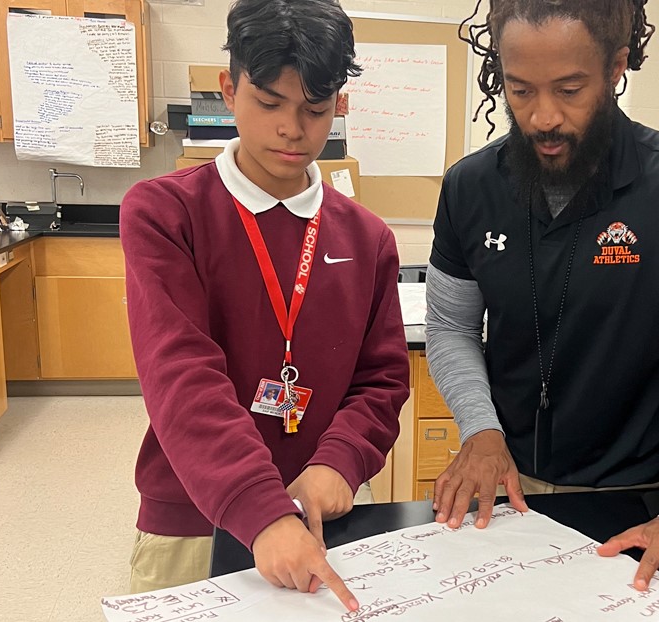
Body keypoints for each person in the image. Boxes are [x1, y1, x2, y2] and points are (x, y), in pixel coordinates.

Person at [426, 0, 659, 604]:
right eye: (520, 89)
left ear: (616, 67)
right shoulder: (468, 188)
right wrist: (480, 428)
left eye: (570, 88)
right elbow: (451, 325)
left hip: (642, 502)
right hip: (507, 490)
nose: (543, 117)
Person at [120, 0, 409, 611]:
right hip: (194, 514)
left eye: (315, 110)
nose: (292, 129)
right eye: (269, 103)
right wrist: (260, 508)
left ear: (340, 105)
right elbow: (180, 376)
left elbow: (382, 381)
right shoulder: (165, 213)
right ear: (229, 89)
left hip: (317, 521)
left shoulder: (368, 238)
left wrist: (340, 462)